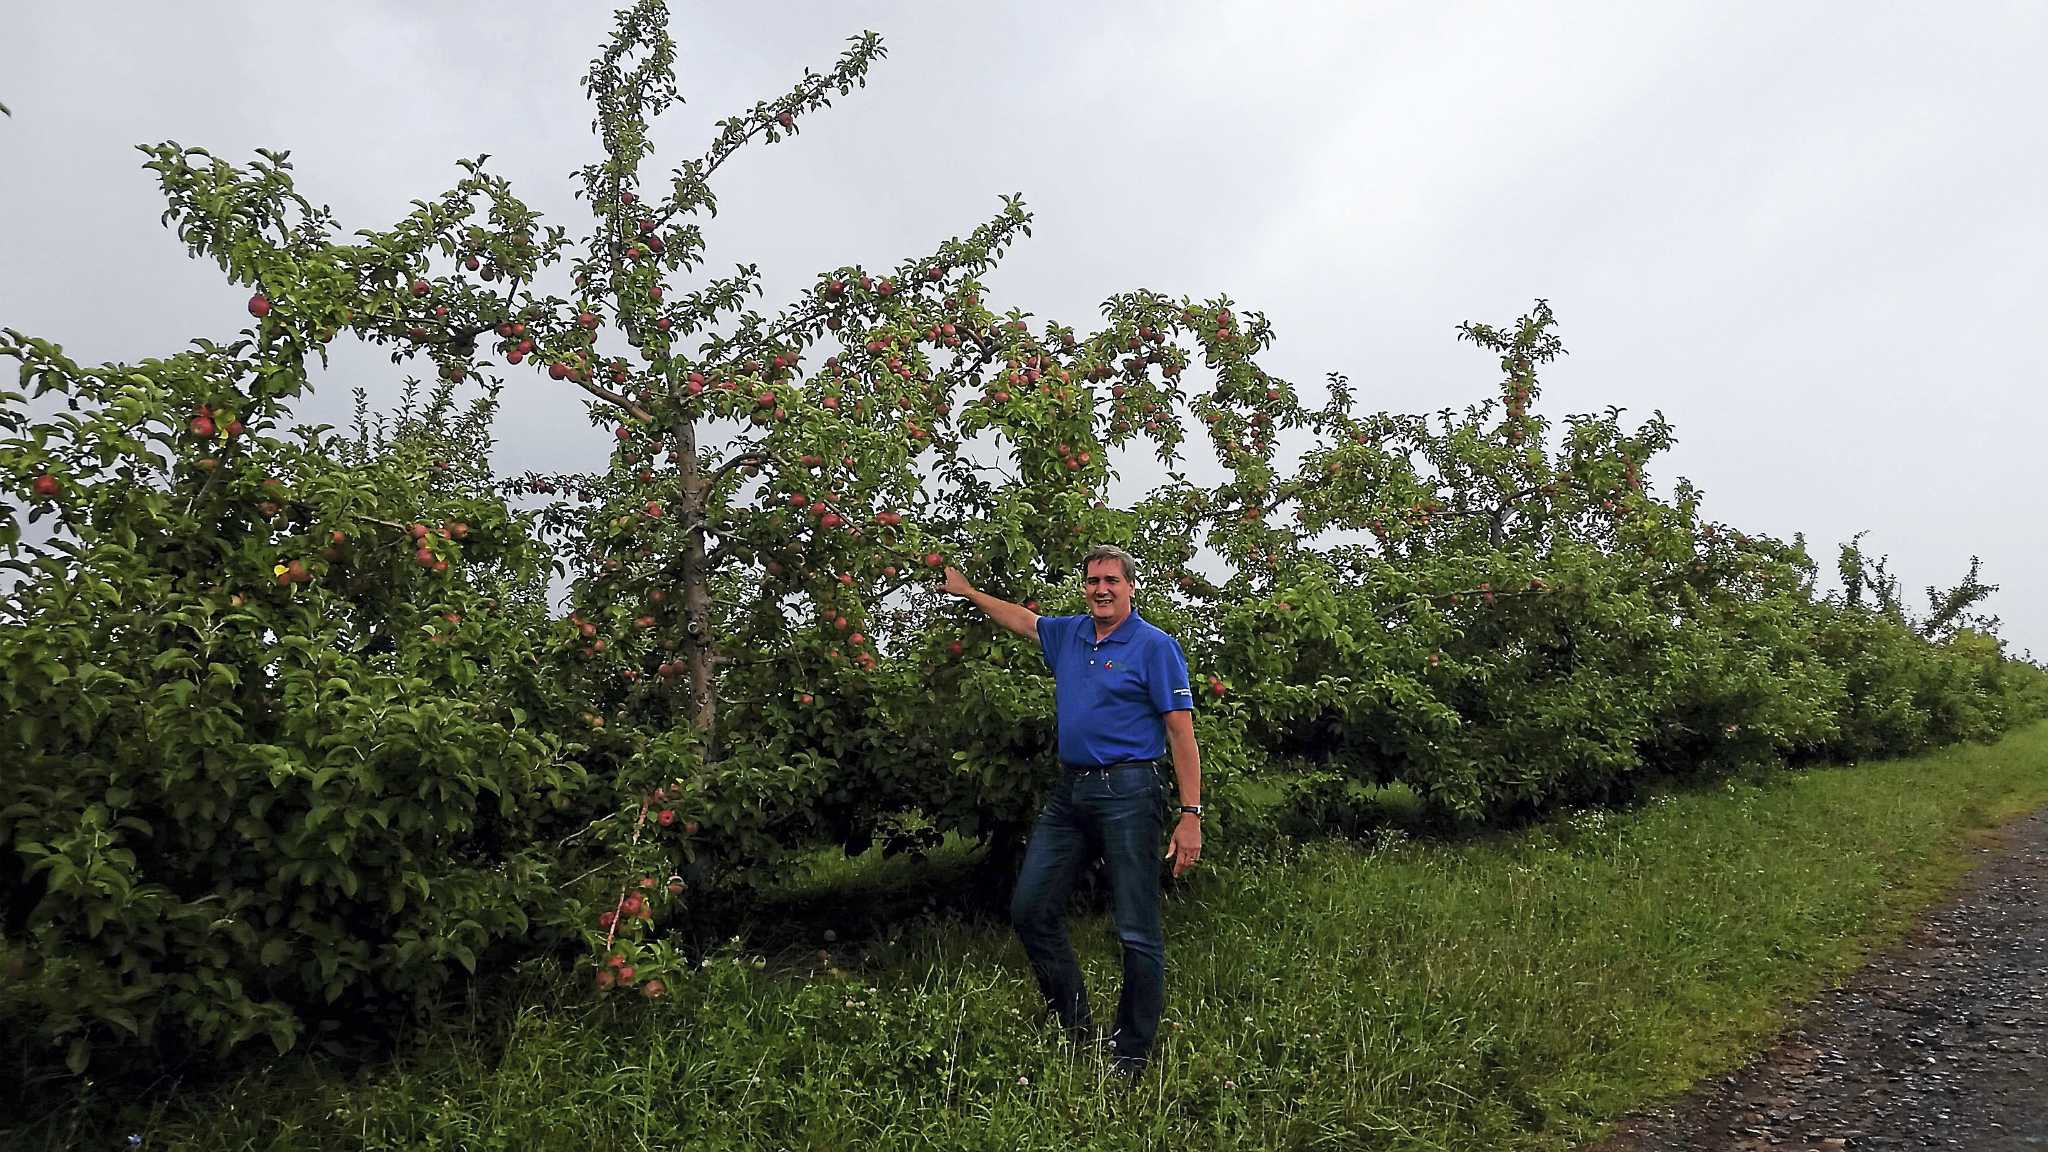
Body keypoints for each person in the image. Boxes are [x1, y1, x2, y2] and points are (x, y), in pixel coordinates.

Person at [941, 544, 1203, 1076]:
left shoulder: (1155, 647)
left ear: (1130, 587)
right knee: (1030, 908)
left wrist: (1191, 812)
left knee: (1135, 926)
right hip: (1072, 793)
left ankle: (1130, 1052)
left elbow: (1181, 734)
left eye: (1111, 580)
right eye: (1092, 581)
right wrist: (969, 593)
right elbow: (1025, 621)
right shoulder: (1072, 634)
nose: (1100, 589)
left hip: (1131, 792)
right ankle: (1076, 1023)